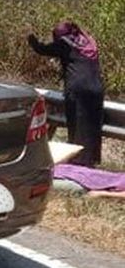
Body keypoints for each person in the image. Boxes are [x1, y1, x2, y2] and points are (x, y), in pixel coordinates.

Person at [28, 22, 104, 167]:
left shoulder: (65, 44)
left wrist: (31, 38)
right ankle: (91, 159)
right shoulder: (88, 42)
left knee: (77, 124)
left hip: (78, 88)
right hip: (96, 88)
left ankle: (79, 161)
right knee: (93, 125)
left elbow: (41, 49)